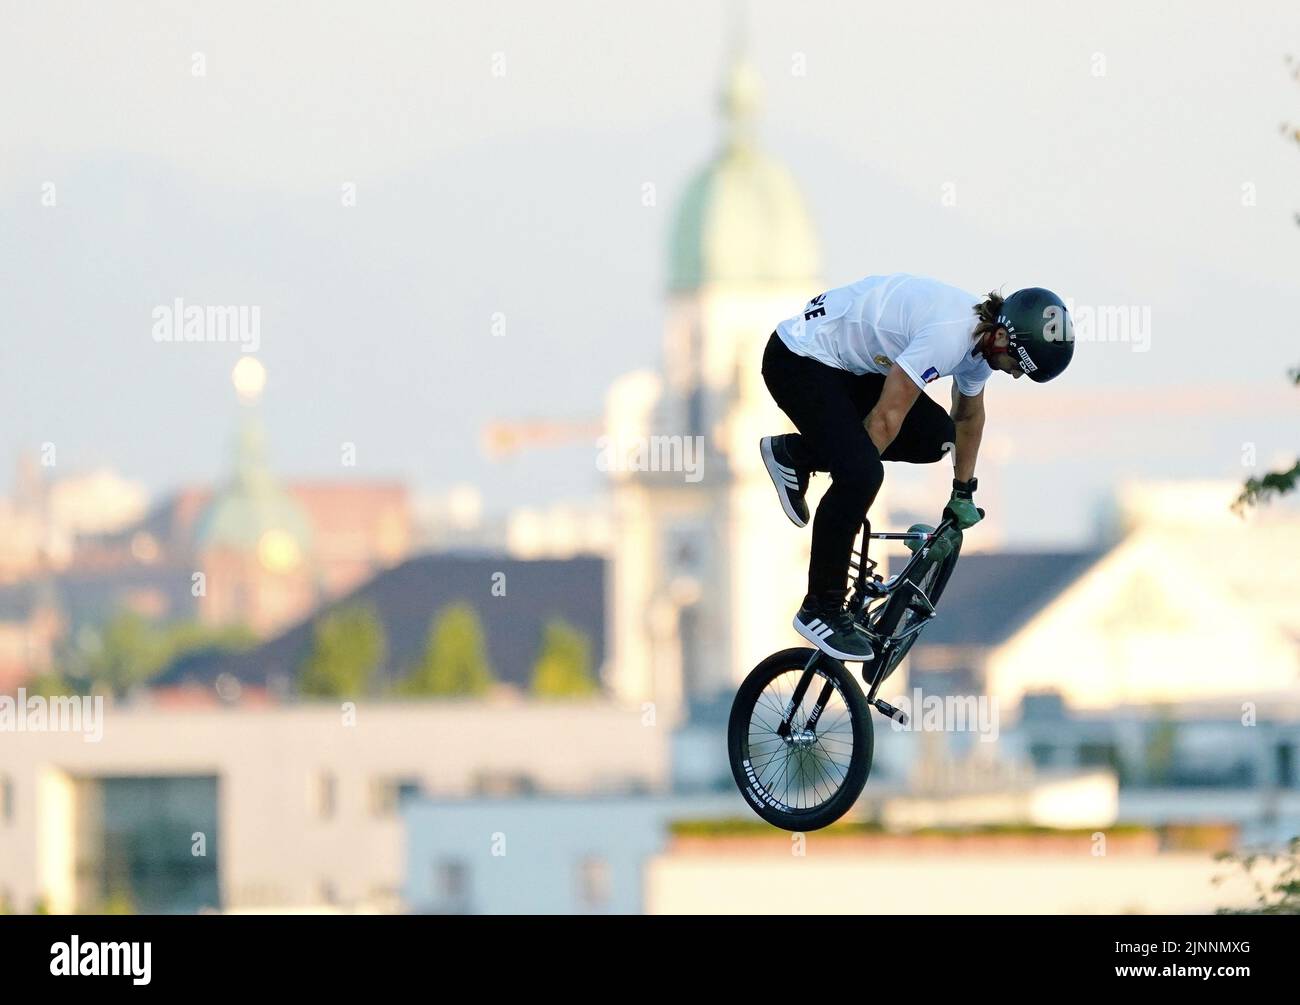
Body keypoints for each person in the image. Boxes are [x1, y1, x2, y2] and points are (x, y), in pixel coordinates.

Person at [759, 273, 1074, 661]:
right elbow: (885, 419)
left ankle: (795, 454)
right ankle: (820, 608)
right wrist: (851, 493)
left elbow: (967, 417)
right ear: (1001, 337)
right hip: (797, 361)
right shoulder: (949, 336)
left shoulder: (981, 346)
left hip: (848, 369)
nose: (1015, 374)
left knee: (936, 437)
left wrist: (962, 492)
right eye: (1017, 365)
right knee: (861, 475)